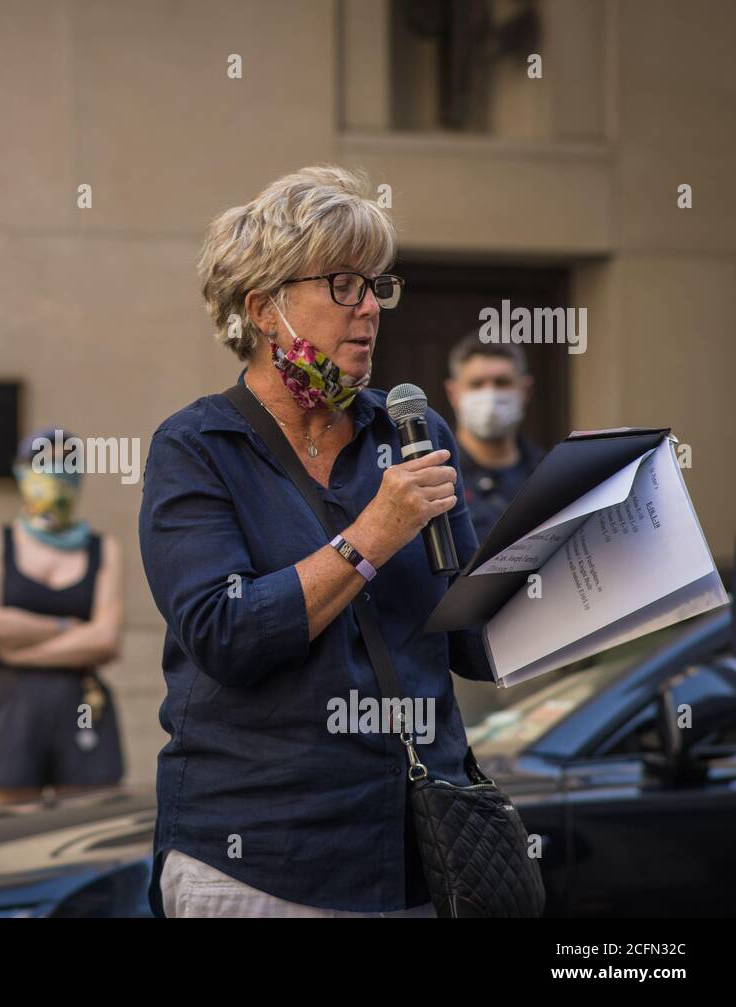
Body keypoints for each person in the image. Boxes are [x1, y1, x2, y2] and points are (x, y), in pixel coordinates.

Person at [138, 165, 494, 918]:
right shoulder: (198, 446)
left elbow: (472, 643)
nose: (368, 307)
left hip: (416, 857)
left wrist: (584, 577)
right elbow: (224, 631)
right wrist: (372, 534)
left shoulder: (414, 431)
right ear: (264, 310)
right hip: (260, 861)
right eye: (342, 284)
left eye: (376, 286)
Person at [0, 428, 125, 808]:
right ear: (21, 472)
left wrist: (20, 650)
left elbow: (106, 640)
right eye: (43, 462)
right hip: (11, 708)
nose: (55, 473)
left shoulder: (104, 548)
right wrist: (66, 628)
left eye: (67, 464)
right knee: (5, 842)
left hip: (84, 705)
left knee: (86, 840)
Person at [443, 335, 545, 544]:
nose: (490, 394)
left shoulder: (549, 474)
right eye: (477, 384)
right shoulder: (438, 477)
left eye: (502, 382)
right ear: (453, 393)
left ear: (526, 390)